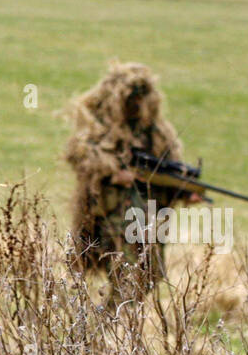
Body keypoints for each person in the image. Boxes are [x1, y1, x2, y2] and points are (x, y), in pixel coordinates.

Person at [62, 61, 202, 299]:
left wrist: (185, 191)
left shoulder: (156, 133)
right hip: (114, 217)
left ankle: (110, 326)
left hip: (150, 218)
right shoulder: (100, 129)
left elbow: (169, 170)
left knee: (149, 276)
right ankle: (109, 328)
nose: (137, 104)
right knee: (125, 276)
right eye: (132, 97)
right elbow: (81, 156)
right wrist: (114, 172)